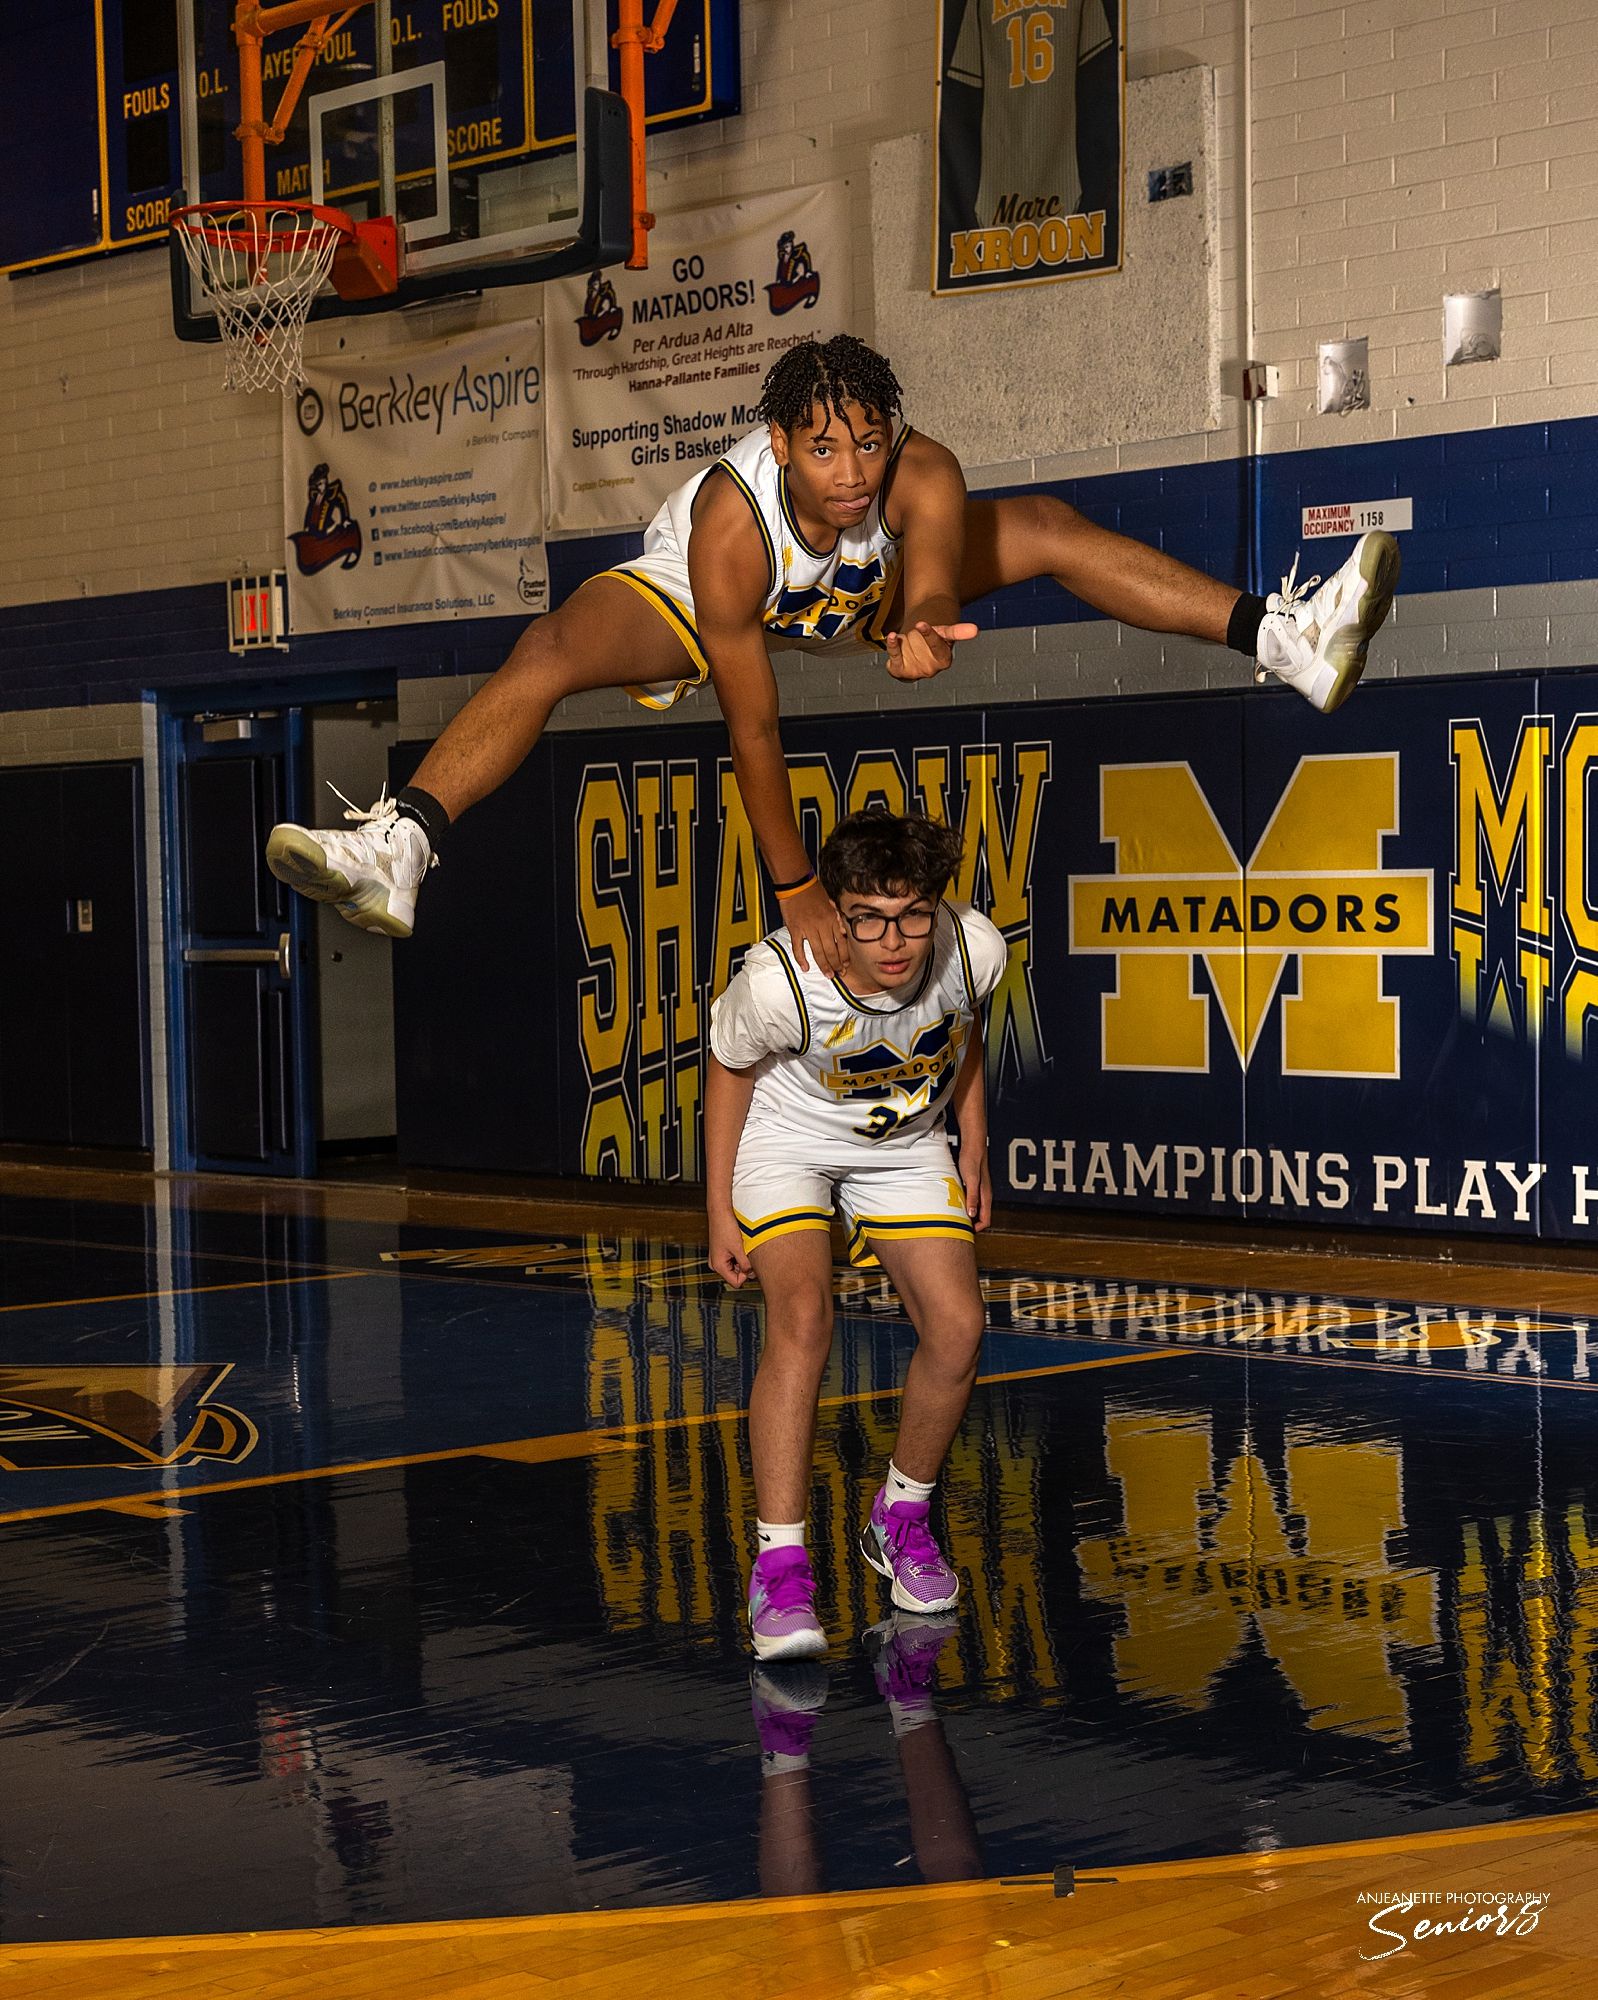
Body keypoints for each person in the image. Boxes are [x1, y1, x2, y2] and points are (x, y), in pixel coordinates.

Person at [264, 334, 1400, 971]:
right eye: (822, 448)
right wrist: (796, 883)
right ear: (780, 445)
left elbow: (941, 566)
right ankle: (402, 847)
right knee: (553, 644)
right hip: (718, 604)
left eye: (866, 442)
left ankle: (1288, 640)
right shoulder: (724, 527)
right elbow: (750, 721)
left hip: (856, 596)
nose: (849, 469)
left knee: (1047, 523)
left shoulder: (920, 473)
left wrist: (923, 621)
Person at [704, 808, 1003, 1661]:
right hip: (787, 1136)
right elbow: (727, 1069)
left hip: (904, 1141)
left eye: (912, 913)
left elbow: (966, 1028)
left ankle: (899, 1517)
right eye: (868, 918)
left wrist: (973, 1135)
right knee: (803, 1319)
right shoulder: (780, 979)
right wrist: (717, 1206)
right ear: (836, 910)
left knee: (958, 1328)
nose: (894, 939)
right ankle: (782, 1567)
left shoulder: (972, 947)